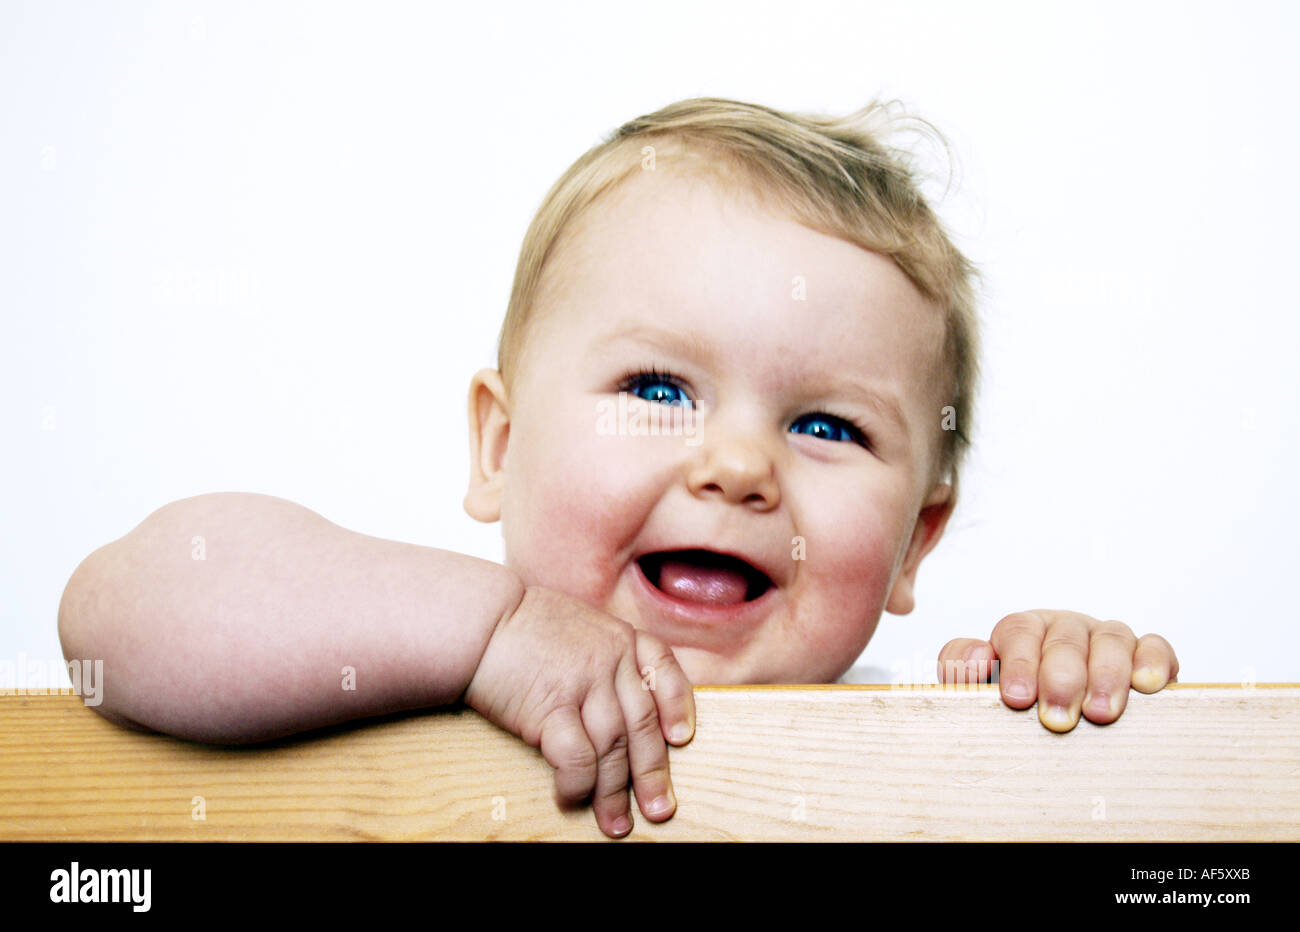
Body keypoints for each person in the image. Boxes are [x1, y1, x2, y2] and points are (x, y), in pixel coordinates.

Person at [58, 97, 1179, 839]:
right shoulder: (389, 657)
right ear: (500, 446)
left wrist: (1054, 708)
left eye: (829, 427)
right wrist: (486, 635)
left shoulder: (913, 748)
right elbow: (114, 611)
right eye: (657, 391)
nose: (739, 465)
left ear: (914, 541)